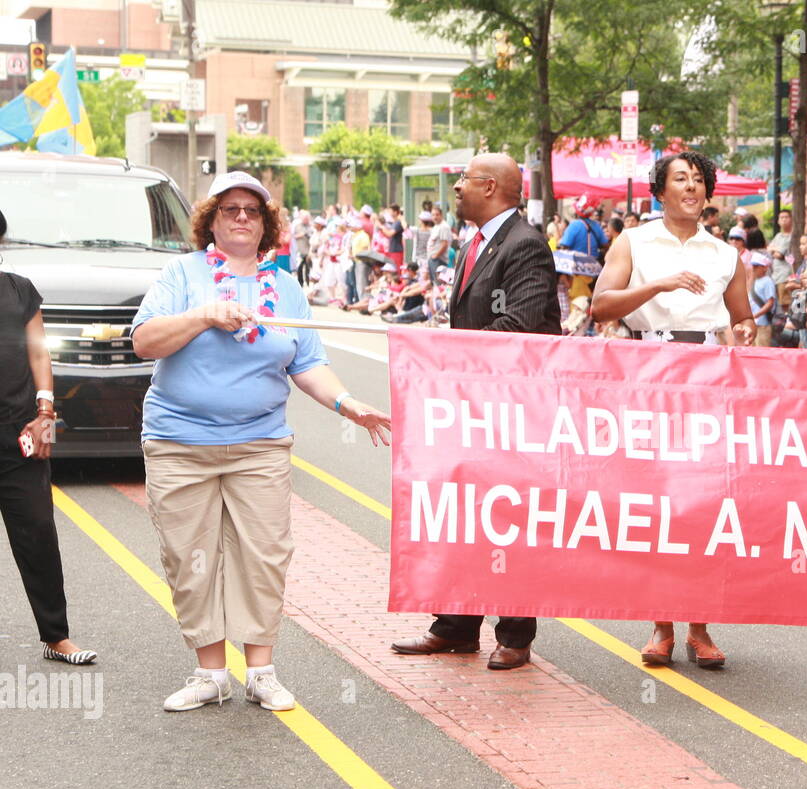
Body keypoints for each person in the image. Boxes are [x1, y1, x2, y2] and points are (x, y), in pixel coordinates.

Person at [131, 172, 391, 712]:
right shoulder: (183, 273)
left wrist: (350, 405)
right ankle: (209, 674)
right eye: (230, 209)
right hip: (180, 442)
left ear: (267, 221)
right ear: (213, 220)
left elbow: (309, 364)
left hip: (260, 444)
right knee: (190, 557)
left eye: (253, 209)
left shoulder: (286, 284)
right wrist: (203, 315)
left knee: (265, 555)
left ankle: (261, 671)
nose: (243, 217)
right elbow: (144, 342)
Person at [390, 154, 560, 671]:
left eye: (463, 179)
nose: (456, 186)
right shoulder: (473, 244)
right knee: (465, 514)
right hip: (470, 406)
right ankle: (456, 625)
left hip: (513, 409)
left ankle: (515, 633)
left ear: (490, 186)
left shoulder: (525, 244)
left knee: (508, 518)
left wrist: (446, 355)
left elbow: (523, 327)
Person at [589, 149, 755, 670]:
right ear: (660, 190)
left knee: (705, 505)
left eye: (699, 180)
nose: (692, 186)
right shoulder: (633, 241)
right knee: (657, 504)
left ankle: (700, 629)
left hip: (708, 384)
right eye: (680, 179)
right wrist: (657, 284)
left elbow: (742, 319)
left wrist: (746, 333)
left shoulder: (726, 255)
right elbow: (600, 306)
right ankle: (661, 625)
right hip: (646, 380)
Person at [0, 208, 99, 667]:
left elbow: (39, 350)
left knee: (38, 531)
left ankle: (55, 636)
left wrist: (44, 410)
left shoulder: (19, 290)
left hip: (17, 433)